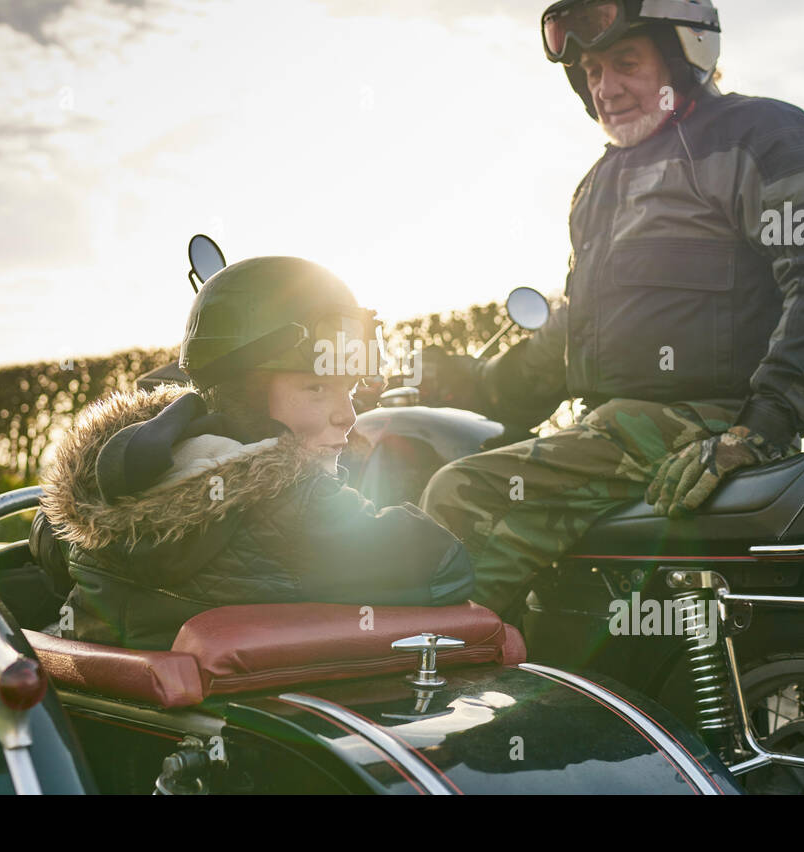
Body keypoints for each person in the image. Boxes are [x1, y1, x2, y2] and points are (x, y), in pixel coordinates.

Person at [414, 0, 804, 618]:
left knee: (463, 491)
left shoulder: (760, 134)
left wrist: (755, 428)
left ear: (683, 53)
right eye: (590, 71)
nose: (605, 87)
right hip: (613, 430)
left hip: (701, 421)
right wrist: (471, 385)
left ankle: (436, 697)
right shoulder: (602, 182)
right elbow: (573, 330)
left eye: (626, 63)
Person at [32, 256, 474, 649]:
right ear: (245, 396)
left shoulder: (97, 489)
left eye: (351, 389)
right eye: (317, 388)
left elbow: (46, 552)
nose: (348, 415)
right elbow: (445, 567)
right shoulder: (296, 509)